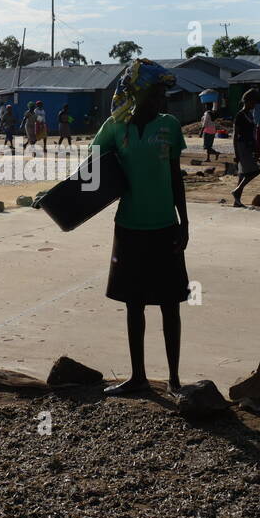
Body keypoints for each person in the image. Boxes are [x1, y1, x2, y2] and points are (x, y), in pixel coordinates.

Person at [91, 60, 189, 396]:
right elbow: (92, 171)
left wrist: (184, 222)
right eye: (158, 91)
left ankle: (175, 379)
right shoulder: (116, 127)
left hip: (164, 226)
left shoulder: (170, 126)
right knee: (134, 304)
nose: (163, 98)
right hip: (129, 227)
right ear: (140, 92)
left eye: (164, 92)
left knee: (169, 304)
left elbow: (176, 177)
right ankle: (138, 377)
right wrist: (56, 199)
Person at [231, 89, 260, 207]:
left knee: (243, 174)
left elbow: (252, 133)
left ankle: (237, 201)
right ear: (247, 101)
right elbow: (235, 135)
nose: (254, 105)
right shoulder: (240, 115)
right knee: (254, 171)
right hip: (242, 146)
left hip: (248, 146)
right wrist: (236, 153)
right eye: (253, 102)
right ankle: (236, 191)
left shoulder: (249, 114)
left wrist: (255, 148)